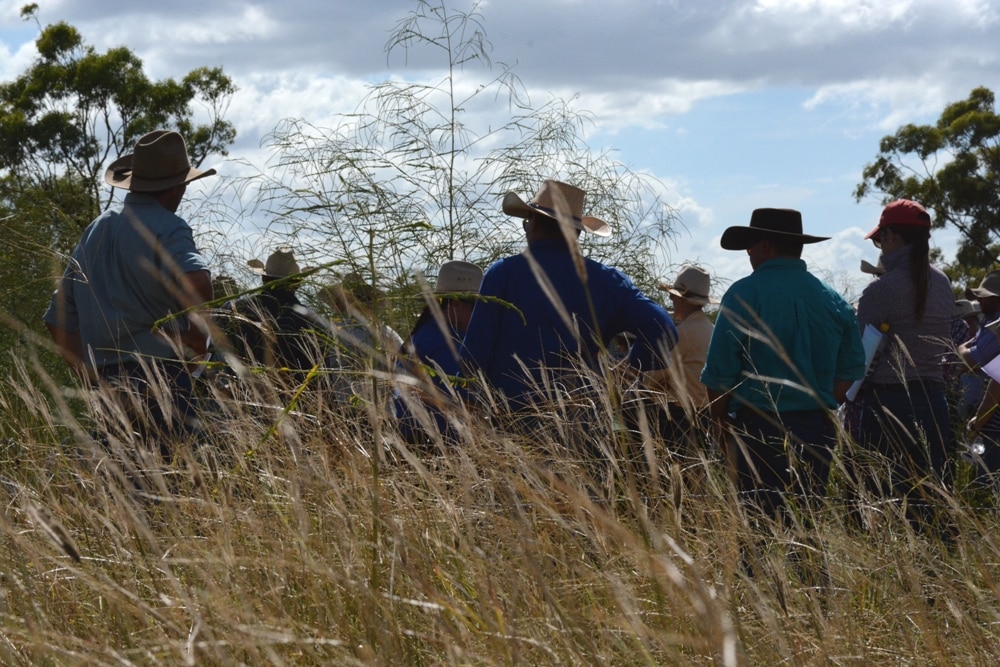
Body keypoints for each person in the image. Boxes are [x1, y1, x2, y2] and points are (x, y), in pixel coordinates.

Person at [457, 179, 678, 445]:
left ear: (534, 224)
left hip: (512, 424)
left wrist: (470, 413)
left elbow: (473, 357)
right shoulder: (608, 281)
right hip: (585, 425)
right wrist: (628, 370)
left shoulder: (502, 274)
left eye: (527, 222)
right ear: (577, 233)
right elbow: (663, 329)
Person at [43, 129, 217, 448]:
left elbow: (57, 320)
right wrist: (194, 339)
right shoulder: (169, 227)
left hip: (108, 390)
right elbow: (198, 281)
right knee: (174, 475)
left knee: (124, 477)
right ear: (176, 187)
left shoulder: (96, 230)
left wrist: (92, 379)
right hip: (163, 382)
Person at [700, 208, 866, 521]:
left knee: (759, 526)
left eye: (750, 247)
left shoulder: (743, 293)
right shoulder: (833, 300)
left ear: (765, 246)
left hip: (758, 429)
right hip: (816, 430)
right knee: (806, 523)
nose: (748, 254)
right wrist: (817, 401)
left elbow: (720, 371)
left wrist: (719, 422)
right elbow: (852, 369)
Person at [855, 199, 956, 531]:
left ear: (892, 237)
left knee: (885, 502)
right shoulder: (942, 283)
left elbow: (859, 355)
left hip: (889, 403)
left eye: (879, 239)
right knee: (932, 500)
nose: (879, 245)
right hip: (934, 401)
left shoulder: (881, 290)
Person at [627, 265, 716, 457]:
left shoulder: (682, 333)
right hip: (705, 414)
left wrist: (633, 377)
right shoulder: (711, 329)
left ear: (683, 299)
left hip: (679, 416)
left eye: (673, 295)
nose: (671, 299)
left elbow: (654, 378)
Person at [395, 260, 483, 445]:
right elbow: (464, 403)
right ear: (455, 304)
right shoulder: (443, 343)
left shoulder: (428, 332)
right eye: (476, 306)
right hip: (435, 447)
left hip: (420, 441)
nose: (482, 314)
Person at [216, 248, 330, 391]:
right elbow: (322, 379)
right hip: (299, 400)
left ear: (264, 279)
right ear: (298, 283)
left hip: (240, 396)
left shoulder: (233, 310)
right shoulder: (313, 322)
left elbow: (215, 352)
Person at [959, 271, 1000, 479]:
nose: (980, 301)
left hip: (995, 430)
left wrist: (977, 424)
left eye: (984, 296)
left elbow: (995, 390)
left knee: (988, 482)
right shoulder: (987, 324)